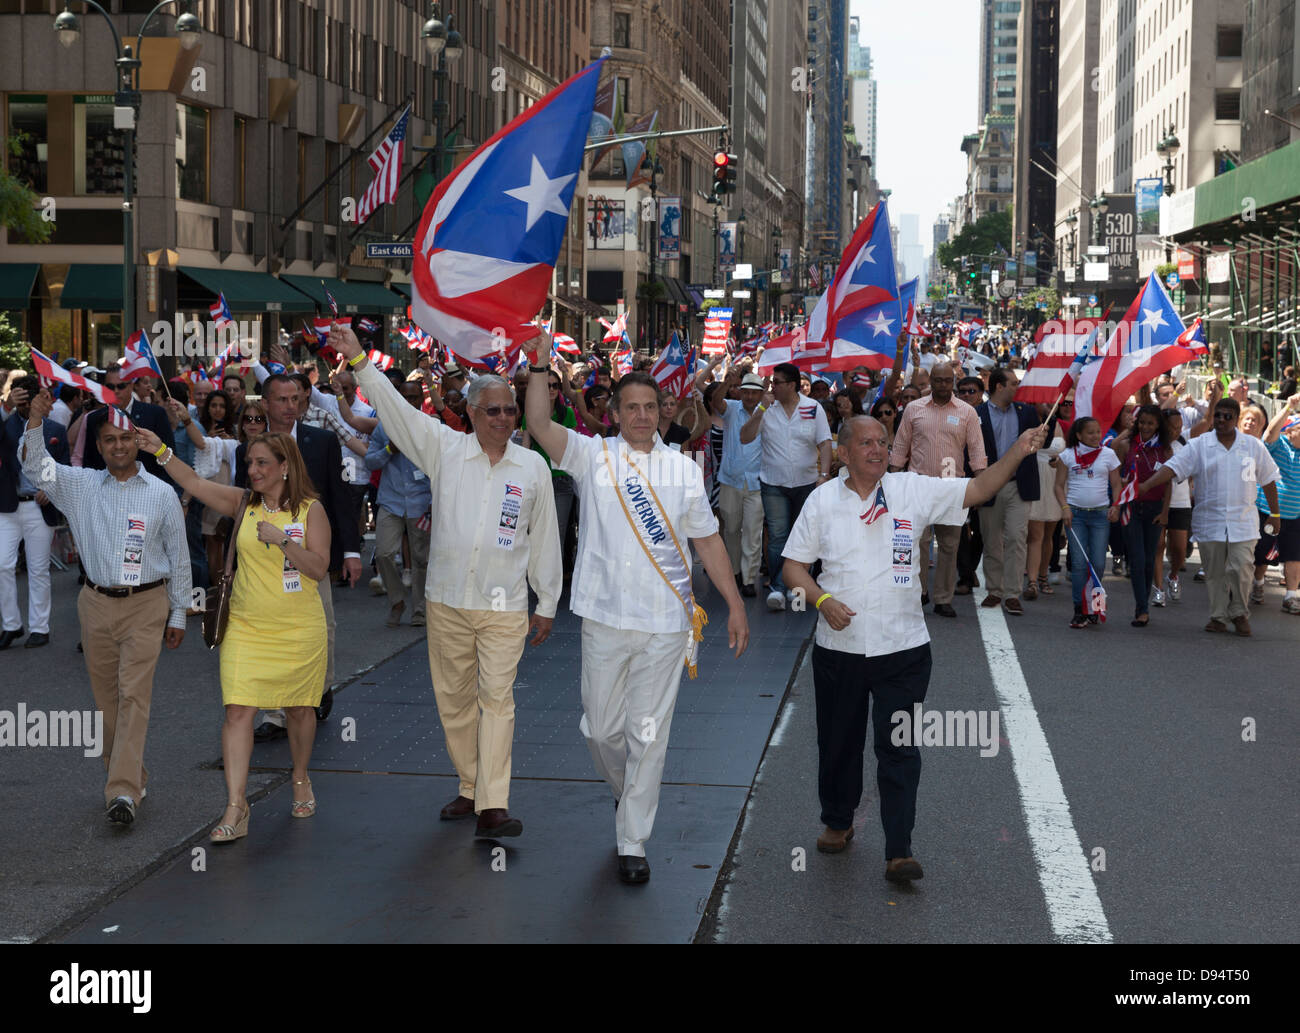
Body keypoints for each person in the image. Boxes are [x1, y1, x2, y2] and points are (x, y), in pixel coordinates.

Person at [781, 415, 1046, 879]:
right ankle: (838, 822)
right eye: (865, 443)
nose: (877, 449)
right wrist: (822, 601)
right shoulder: (822, 501)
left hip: (903, 649)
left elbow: (978, 489)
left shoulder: (912, 489)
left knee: (899, 747)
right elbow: (793, 569)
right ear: (843, 453)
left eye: (883, 442)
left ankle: (898, 850)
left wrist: (1019, 451)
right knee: (839, 743)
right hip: (839, 648)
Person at [525, 347, 749, 885]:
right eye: (632, 407)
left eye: (651, 406)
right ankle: (628, 794)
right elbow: (536, 421)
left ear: (663, 410)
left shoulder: (683, 471)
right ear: (616, 414)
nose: (642, 416)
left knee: (649, 734)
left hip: (665, 623)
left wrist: (736, 604)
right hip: (604, 616)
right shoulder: (591, 456)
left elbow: (710, 542)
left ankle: (633, 840)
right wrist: (539, 368)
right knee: (602, 731)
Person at [338, 327, 562, 838]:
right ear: (473, 413)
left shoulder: (531, 468)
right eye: (493, 411)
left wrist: (546, 600)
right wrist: (358, 361)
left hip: (504, 607)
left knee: (497, 699)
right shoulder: (443, 448)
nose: (504, 418)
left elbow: (545, 537)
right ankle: (470, 787)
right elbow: (396, 411)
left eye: (510, 410)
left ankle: (494, 805)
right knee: (455, 700)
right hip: (447, 601)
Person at [137, 424, 330, 841]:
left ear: (284, 467)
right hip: (246, 625)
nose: (253, 470)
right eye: (249, 462)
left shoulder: (311, 510)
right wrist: (160, 450)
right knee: (238, 710)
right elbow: (193, 481)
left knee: (299, 709)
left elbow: (317, 569)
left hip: (298, 628)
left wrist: (283, 541)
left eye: (262, 463)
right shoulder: (243, 502)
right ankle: (236, 805)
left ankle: (300, 778)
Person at [22, 389, 190, 825]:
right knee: (107, 702)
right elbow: (36, 468)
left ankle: (121, 792)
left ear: (137, 442)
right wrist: (36, 422)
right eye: (109, 439)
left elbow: (180, 557)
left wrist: (177, 612)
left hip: (147, 603)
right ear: (98, 447)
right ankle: (132, 774)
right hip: (94, 604)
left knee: (134, 694)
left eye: (125, 438)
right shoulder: (79, 487)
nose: (118, 445)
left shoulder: (161, 493)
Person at [237, 375, 361, 741]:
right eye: (282, 400)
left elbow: (340, 497)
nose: (290, 406)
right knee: (269, 628)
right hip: (263, 553)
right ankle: (276, 711)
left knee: (322, 624)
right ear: (267, 404)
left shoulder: (320, 441)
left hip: (310, 553)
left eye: (296, 399)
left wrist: (351, 551)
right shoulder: (250, 448)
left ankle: (318, 689)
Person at [1140, 397, 1281, 636]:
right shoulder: (1199, 445)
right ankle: (1218, 617)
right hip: (1210, 520)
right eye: (1218, 415)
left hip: (1243, 521)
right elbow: (1173, 467)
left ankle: (1238, 613)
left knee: (1241, 569)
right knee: (1215, 573)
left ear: (1236, 419)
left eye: (1228, 416)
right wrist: (1146, 485)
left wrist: (1275, 514)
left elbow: (1268, 479)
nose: (1221, 420)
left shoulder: (1253, 445)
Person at [889, 362, 987, 617]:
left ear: (953, 381)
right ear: (930, 381)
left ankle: (943, 599)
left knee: (949, 545)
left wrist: (981, 485)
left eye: (947, 380)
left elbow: (976, 450)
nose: (943, 385)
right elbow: (900, 445)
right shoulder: (914, 408)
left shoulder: (967, 412)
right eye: (938, 380)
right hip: (917, 485)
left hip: (951, 488)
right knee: (917, 542)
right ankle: (919, 593)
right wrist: (892, 479)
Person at [739, 362, 833, 611]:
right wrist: (760, 409)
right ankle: (779, 588)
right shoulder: (766, 408)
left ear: (792, 385)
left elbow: (824, 443)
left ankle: (798, 588)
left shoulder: (813, 408)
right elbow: (745, 437)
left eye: (776, 382)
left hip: (806, 484)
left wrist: (823, 475)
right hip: (774, 483)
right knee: (778, 537)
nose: (771, 386)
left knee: (802, 536)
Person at [1, 376, 68, 648]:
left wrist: (49, 489)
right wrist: (5, 406)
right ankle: (11, 625)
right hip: (8, 505)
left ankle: (40, 627)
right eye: (21, 401)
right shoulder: (5, 425)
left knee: (39, 569)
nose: (26, 406)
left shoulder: (56, 429)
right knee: (3, 565)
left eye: (30, 401)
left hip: (39, 507)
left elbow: (63, 466)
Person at [365, 379, 432, 628]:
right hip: (391, 502)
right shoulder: (384, 427)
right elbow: (370, 462)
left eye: (414, 397)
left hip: (420, 503)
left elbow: (440, 468)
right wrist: (388, 449)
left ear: (421, 401)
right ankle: (397, 601)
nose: (408, 401)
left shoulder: (430, 428)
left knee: (421, 559)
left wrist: (435, 501)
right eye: (404, 396)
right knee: (383, 553)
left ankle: (419, 610)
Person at [974, 368, 1040, 615]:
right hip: (988, 484)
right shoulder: (977, 414)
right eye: (1013, 383)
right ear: (999, 386)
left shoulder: (1028, 413)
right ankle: (994, 590)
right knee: (991, 539)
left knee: (1016, 537)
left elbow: (1039, 443)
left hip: (1017, 484)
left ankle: (1012, 593)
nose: (1017, 387)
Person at [1055, 416, 1122, 629]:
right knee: (1079, 564)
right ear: (1079, 435)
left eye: (1098, 432)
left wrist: (1116, 506)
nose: (1096, 436)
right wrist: (1065, 508)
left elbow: (1117, 484)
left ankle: (1096, 606)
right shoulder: (1067, 455)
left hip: (1101, 516)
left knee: (1099, 563)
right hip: (1075, 516)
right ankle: (1079, 610)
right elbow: (1058, 486)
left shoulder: (1109, 454)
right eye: (1090, 432)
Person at [1111, 404, 1175, 626]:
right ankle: (1142, 609)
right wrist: (1119, 496)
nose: (1145, 427)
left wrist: (1165, 512)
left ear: (1158, 425)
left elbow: (1168, 484)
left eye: (1150, 423)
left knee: (1149, 560)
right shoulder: (1127, 445)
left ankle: (1143, 603)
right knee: (1137, 560)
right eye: (1142, 422)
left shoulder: (1165, 450)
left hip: (1155, 509)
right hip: (1131, 508)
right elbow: (1114, 474)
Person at [716, 373, 766, 598]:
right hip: (730, 480)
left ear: (761, 394)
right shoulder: (732, 408)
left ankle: (748, 579)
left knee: (753, 533)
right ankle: (735, 572)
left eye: (754, 392)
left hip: (756, 482)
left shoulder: (767, 412)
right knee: (731, 529)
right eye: (746, 391)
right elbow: (716, 402)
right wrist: (726, 382)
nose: (749, 396)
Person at [82, 367, 175, 482]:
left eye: (121, 386)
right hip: (105, 492)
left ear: (131, 386)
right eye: (110, 387)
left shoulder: (155, 414)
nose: (115, 391)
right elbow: (90, 462)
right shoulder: (93, 419)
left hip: (149, 490)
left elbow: (169, 456)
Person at [1253, 395, 1300, 613]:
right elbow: (1270, 432)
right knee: (1262, 553)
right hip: (1269, 512)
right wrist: (1289, 406)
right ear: (1290, 430)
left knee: (1294, 556)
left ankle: (1291, 596)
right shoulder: (1278, 444)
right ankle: (1258, 584)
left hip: (1295, 516)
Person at [1024, 403, 1067, 599]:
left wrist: (1057, 460)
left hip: (1055, 481)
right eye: (1044, 401)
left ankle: (1043, 576)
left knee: (1050, 534)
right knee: (1035, 535)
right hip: (1034, 478)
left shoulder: (1058, 424)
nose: (1049, 405)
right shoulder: (1028, 420)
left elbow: (1063, 454)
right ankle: (1032, 581)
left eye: (1052, 402)